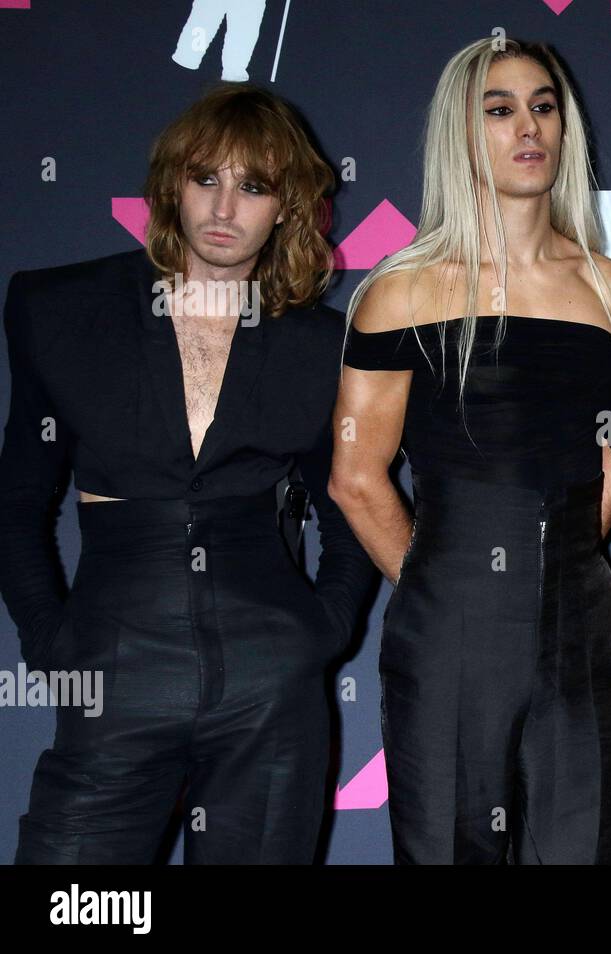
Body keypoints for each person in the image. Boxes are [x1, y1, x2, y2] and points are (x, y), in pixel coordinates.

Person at [0, 84, 376, 863]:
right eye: (207, 178)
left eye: (254, 186)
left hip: (273, 682)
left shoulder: (322, 344)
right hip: (114, 663)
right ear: (173, 183)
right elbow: (18, 501)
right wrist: (52, 642)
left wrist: (325, 628)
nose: (225, 206)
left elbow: (348, 504)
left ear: (287, 207)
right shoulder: (63, 309)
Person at [330, 38, 611, 865]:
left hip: (583, 623)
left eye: (544, 106)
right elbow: (355, 477)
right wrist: (452, 579)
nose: (529, 127)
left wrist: (559, 558)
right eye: (500, 108)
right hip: (449, 632)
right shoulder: (398, 291)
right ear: (461, 131)